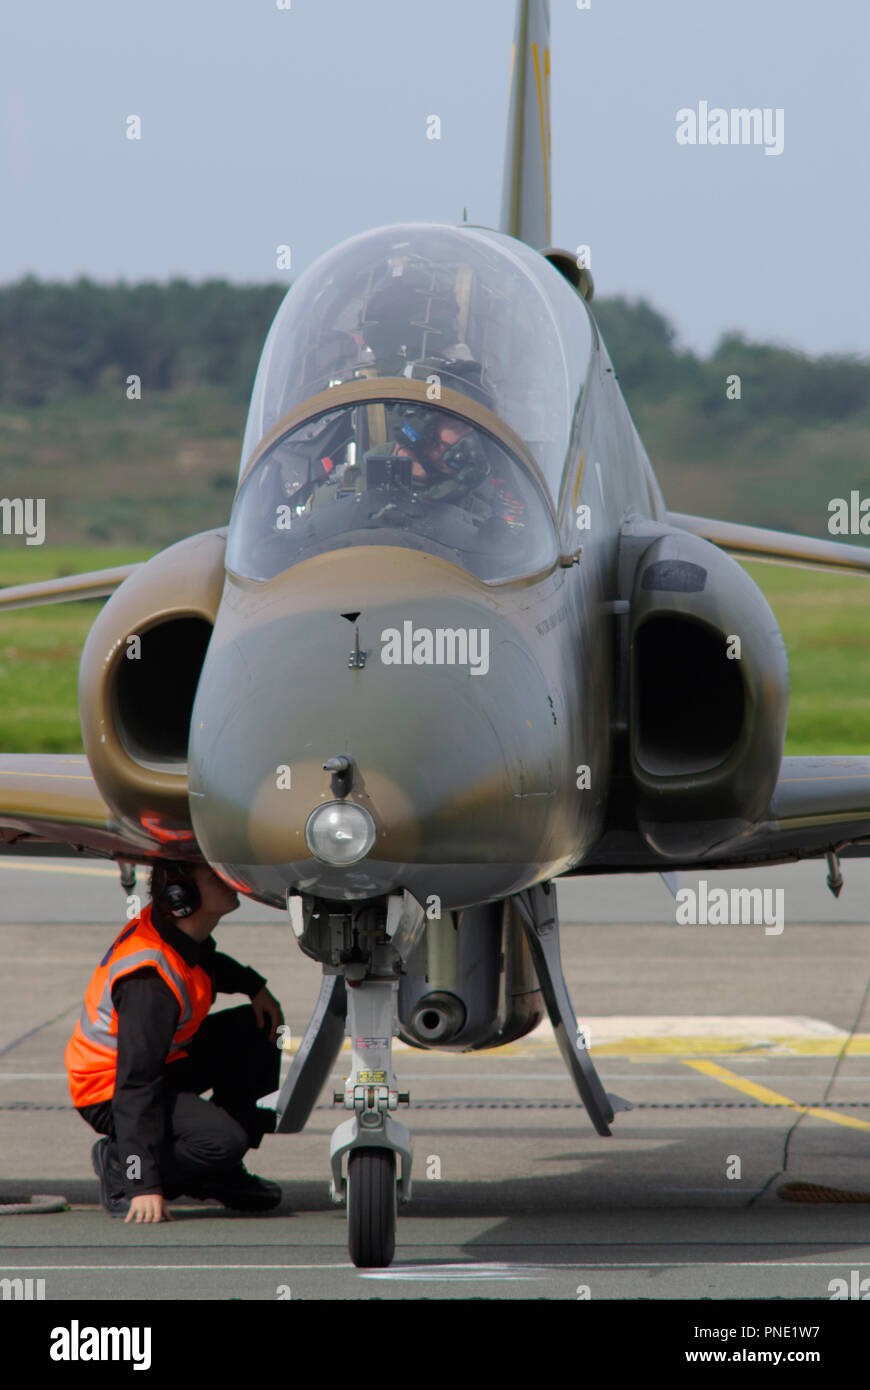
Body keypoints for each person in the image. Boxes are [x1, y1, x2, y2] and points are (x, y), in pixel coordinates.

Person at [65, 860, 284, 1223]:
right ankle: (122, 1165)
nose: (232, 879)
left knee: (259, 1025)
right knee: (222, 1142)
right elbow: (136, 1083)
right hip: (111, 1091)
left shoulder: (178, 936)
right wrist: (142, 1184)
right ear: (181, 897)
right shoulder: (149, 985)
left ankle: (220, 1171)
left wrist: (253, 986)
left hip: (164, 1062)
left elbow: (207, 964)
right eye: (217, 875)